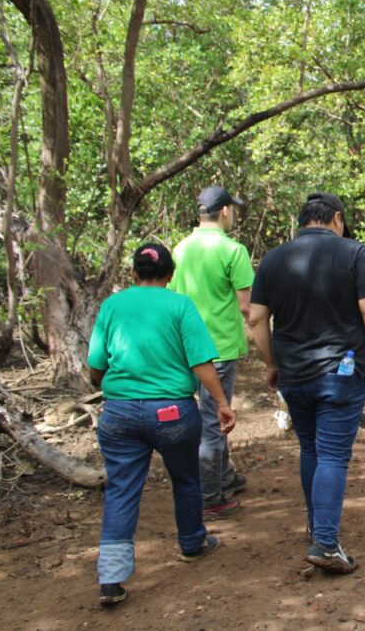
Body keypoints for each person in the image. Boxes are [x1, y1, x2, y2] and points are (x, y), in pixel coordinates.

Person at [249, 192, 365, 575]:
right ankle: (325, 543)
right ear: (336, 218)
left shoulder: (273, 259)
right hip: (340, 371)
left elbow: (255, 319)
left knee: (311, 451)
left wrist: (271, 364)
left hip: (294, 373)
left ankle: (316, 526)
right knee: (333, 455)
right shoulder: (352, 254)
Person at [88, 243, 236, 606]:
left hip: (119, 414)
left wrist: (110, 383)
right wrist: (220, 402)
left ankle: (111, 577)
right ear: (170, 276)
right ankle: (192, 543)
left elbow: (96, 367)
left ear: (133, 274)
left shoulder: (112, 306)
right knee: (185, 478)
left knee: (122, 489)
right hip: (172, 412)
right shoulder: (180, 305)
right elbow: (201, 362)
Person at [168, 185, 252, 520]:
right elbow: (247, 307)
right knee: (215, 419)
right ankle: (212, 496)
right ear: (226, 211)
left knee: (206, 417)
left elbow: (172, 300)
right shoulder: (233, 250)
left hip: (186, 349)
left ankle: (224, 476)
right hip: (219, 348)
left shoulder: (180, 249)